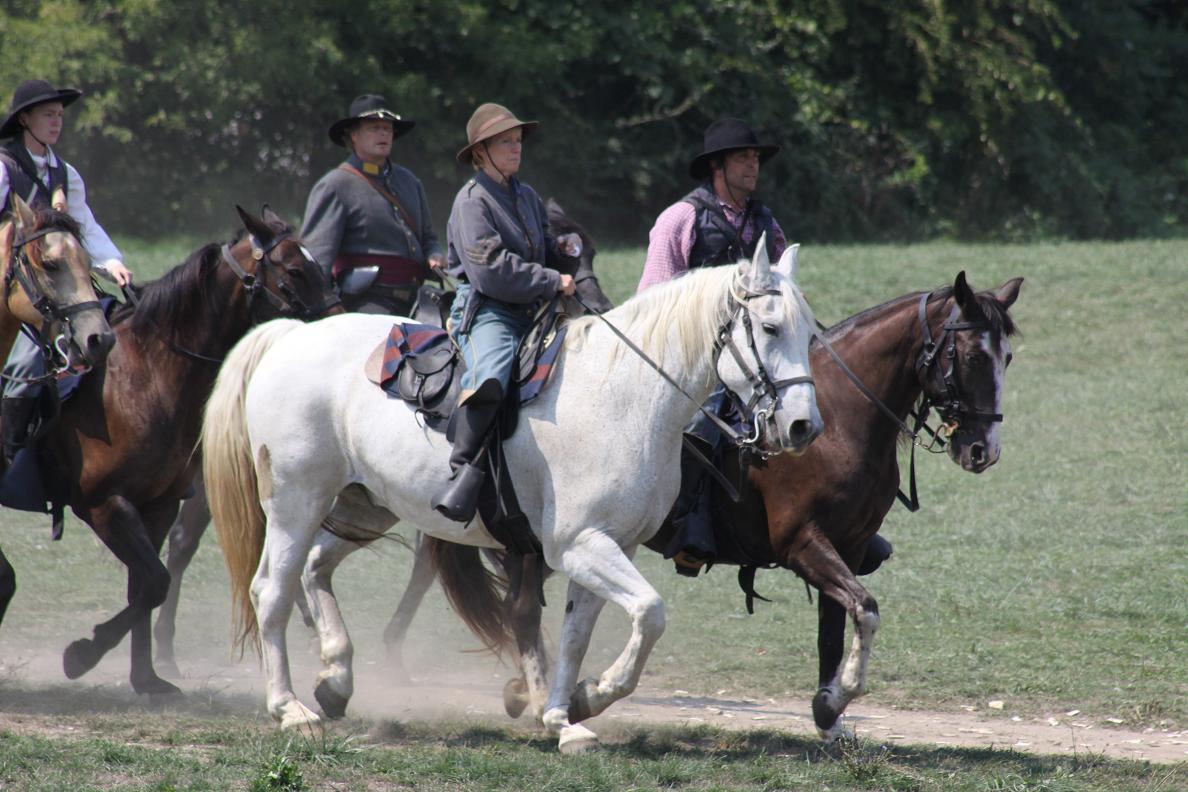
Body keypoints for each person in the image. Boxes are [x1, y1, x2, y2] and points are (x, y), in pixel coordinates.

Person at [639, 117, 891, 577]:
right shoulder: (681, 219)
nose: (753, 166)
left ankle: (844, 522)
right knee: (702, 423)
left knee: (817, 399)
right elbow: (651, 298)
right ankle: (689, 531)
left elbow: (781, 285)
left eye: (755, 158)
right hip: (699, 360)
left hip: (759, 353)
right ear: (717, 166)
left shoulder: (764, 220)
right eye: (743, 158)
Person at [430, 103, 580, 523]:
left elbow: (543, 247)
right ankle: (462, 470)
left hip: (534, 308)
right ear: (481, 152)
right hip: (489, 311)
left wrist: (564, 251)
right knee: (493, 375)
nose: (516, 149)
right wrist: (552, 280)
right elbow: (492, 271)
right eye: (505, 143)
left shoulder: (526, 195)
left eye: (517, 141)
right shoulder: (471, 202)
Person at [0, 79, 134, 466]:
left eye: (59, 115)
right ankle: (9, 449)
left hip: (63, 280)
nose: (57, 122)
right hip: (21, 286)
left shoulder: (65, 173)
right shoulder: (4, 167)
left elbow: (86, 226)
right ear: (25, 119)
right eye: (48, 115)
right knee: (26, 360)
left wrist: (111, 263)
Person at [301, 94, 444, 316]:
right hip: (366, 301)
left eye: (388, 128)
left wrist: (435, 254)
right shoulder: (335, 185)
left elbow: (428, 238)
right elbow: (317, 260)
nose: (383, 133)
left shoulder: (410, 182)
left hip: (418, 299)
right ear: (354, 135)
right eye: (374, 127)